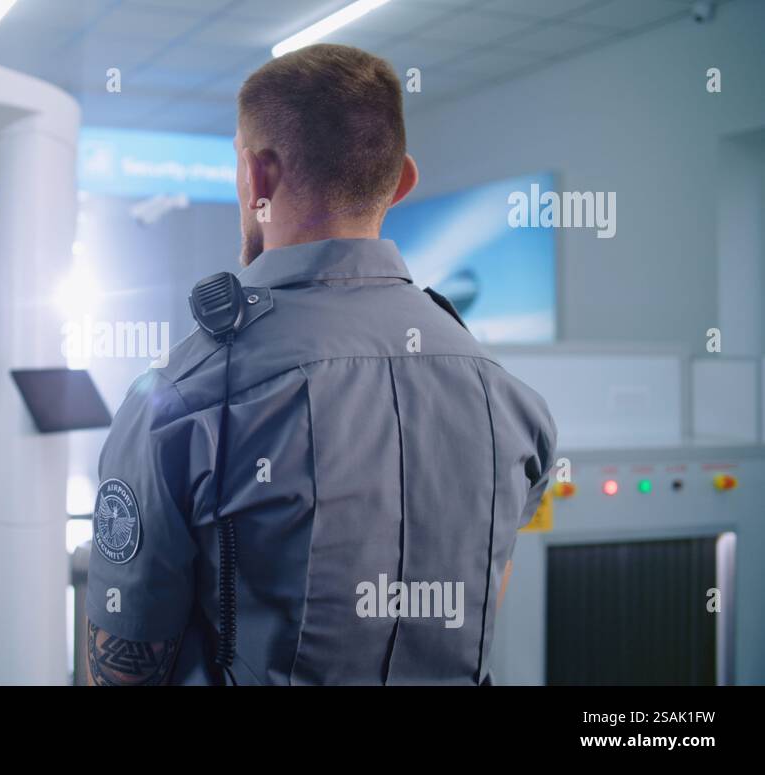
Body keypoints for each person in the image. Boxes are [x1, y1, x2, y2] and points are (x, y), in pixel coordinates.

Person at [85, 44, 557, 686]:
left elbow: (125, 668)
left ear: (257, 177)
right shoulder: (509, 402)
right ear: (402, 182)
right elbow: (486, 587)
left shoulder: (175, 402)